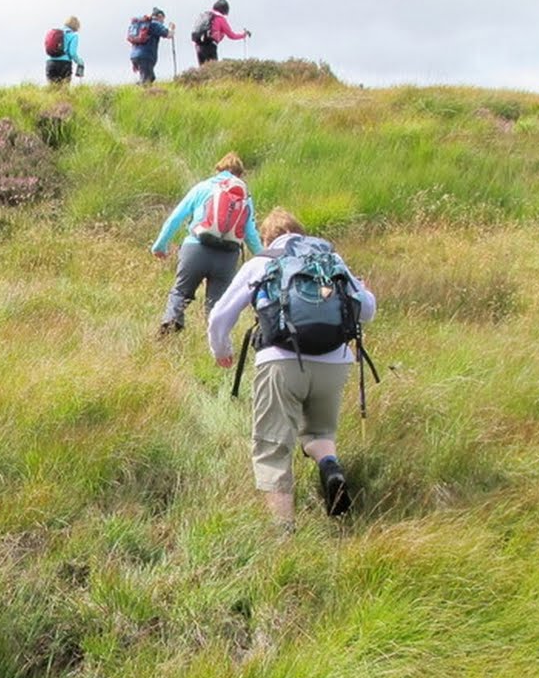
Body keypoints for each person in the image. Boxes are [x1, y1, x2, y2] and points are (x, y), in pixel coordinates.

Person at [209, 207, 378, 531]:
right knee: (318, 433)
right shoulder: (330, 260)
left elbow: (220, 317)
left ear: (269, 237)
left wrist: (222, 350)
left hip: (280, 360)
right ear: (301, 232)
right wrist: (365, 291)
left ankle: (283, 535)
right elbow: (366, 310)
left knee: (273, 447)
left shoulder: (260, 262)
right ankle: (330, 467)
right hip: (334, 361)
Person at [151, 151, 263, 336]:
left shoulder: (202, 188)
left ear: (218, 169)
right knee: (216, 304)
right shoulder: (245, 198)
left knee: (180, 292)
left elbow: (175, 218)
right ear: (240, 174)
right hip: (227, 256)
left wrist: (159, 246)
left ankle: (171, 324)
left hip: (195, 248)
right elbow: (250, 234)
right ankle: (214, 344)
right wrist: (264, 259)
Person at [192, 0, 251, 64]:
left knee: (203, 70)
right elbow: (232, 35)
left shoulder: (207, 16)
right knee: (213, 70)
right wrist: (243, 35)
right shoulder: (220, 19)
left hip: (199, 45)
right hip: (210, 46)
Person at [128, 8, 174, 85]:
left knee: (150, 77)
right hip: (146, 56)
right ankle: (143, 94)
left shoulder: (143, 25)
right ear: (159, 16)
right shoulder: (155, 24)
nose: (163, 22)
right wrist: (171, 28)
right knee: (147, 79)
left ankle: (140, 88)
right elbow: (168, 34)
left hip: (135, 56)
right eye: (163, 19)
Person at [46, 16, 82, 85]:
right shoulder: (73, 35)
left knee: (52, 89)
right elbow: (72, 53)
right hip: (64, 64)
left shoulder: (55, 33)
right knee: (64, 89)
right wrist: (79, 61)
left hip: (51, 63)